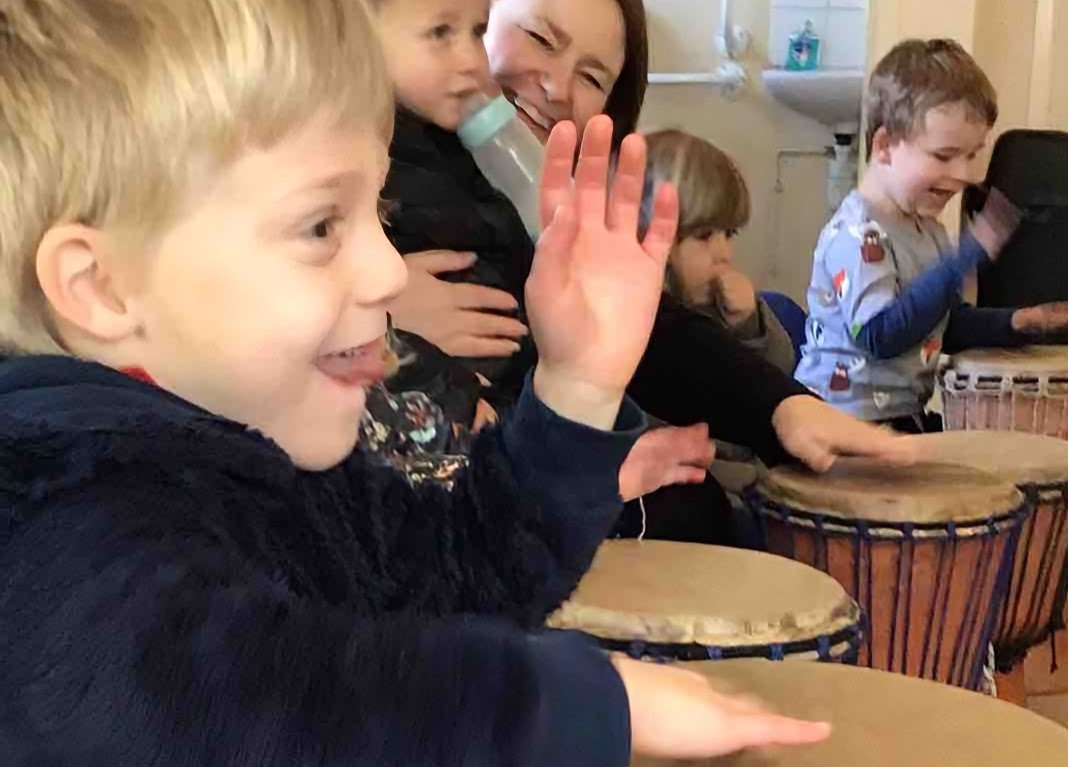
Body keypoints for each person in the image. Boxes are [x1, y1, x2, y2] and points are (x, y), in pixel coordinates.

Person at [0, 1, 833, 767]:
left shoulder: (265, 454)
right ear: (100, 286)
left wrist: (577, 385)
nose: (388, 269)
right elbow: (262, 704)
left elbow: (458, 572)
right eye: (322, 226)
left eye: (380, 212)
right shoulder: (55, 520)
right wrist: (578, 702)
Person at [384, 0, 914, 480]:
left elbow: (641, 326)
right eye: (541, 39)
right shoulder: (369, 159)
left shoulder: (524, 198)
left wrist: (782, 407)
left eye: (592, 78)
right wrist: (379, 318)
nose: (557, 88)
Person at [794, 38, 1068, 432]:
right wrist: (964, 258)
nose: (963, 174)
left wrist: (1019, 322)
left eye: (971, 156)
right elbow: (881, 335)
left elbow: (942, 324)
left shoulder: (930, 231)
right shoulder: (857, 234)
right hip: (838, 423)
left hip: (896, 420)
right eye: (943, 156)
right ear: (885, 145)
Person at [641, 128, 796, 376]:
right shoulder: (638, 326)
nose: (724, 253)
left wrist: (749, 325)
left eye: (729, 234)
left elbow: (779, 372)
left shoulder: (717, 309)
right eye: (704, 236)